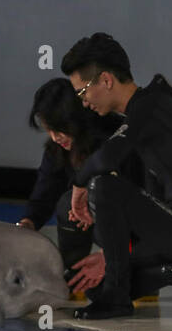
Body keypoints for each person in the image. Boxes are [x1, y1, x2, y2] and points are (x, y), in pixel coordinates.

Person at [60, 32, 172, 319]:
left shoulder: (148, 108)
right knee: (94, 288)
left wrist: (78, 185)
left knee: (104, 187)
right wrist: (109, 257)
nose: (84, 102)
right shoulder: (154, 105)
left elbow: (106, 159)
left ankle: (117, 300)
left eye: (82, 92)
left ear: (106, 80)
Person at [19, 77, 119, 275]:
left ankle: (136, 272)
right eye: (50, 130)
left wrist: (94, 207)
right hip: (92, 218)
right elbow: (46, 189)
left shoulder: (114, 135)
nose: (56, 137)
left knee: (73, 203)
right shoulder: (57, 149)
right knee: (68, 207)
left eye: (61, 129)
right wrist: (28, 221)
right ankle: (76, 272)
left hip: (132, 218)